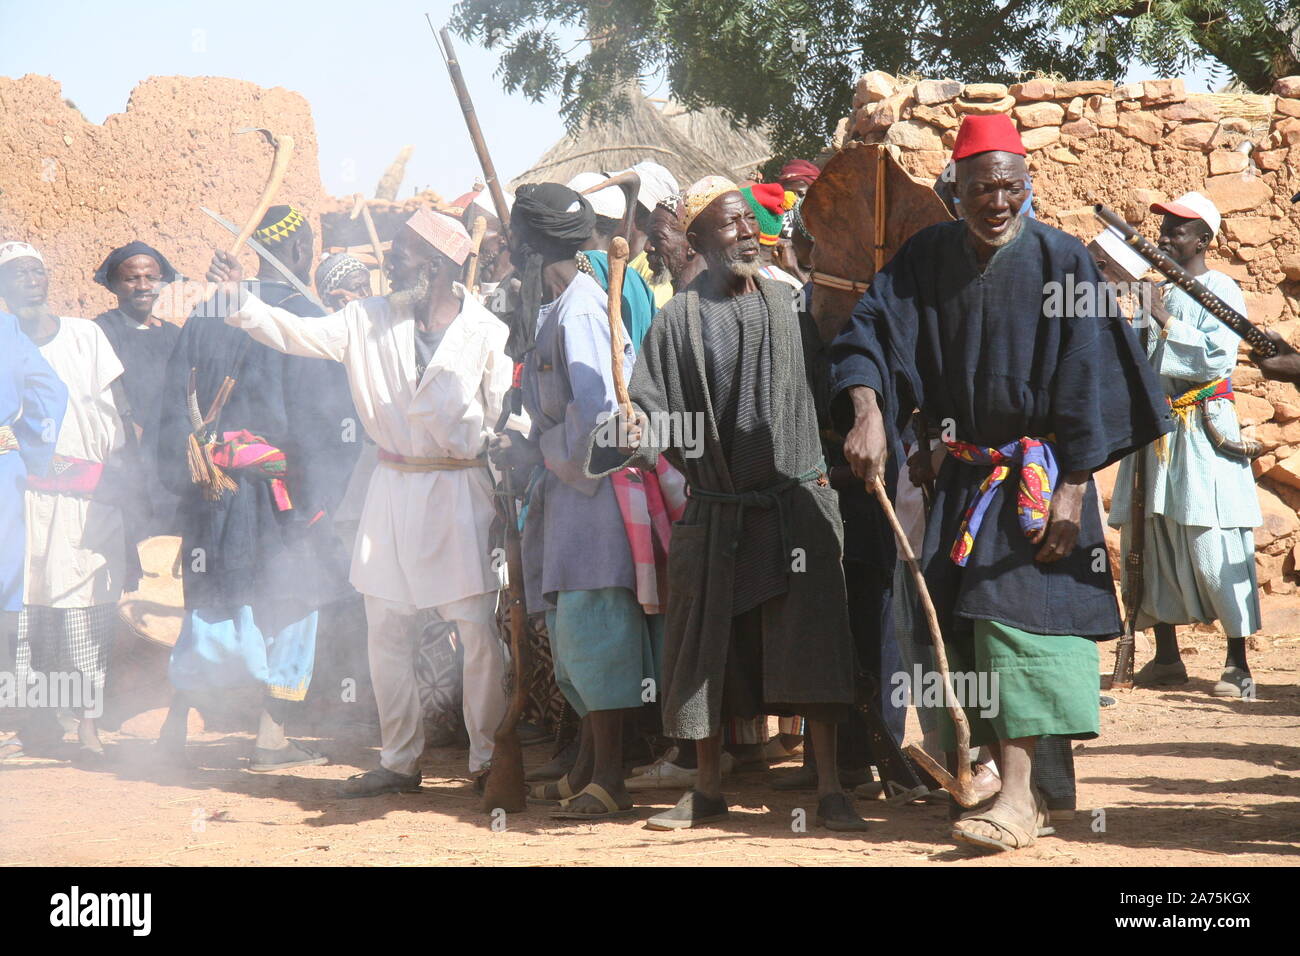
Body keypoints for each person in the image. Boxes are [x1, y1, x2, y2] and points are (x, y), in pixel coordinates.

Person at [828, 115, 1171, 852]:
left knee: (1022, 627)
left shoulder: (1062, 263)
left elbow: (1091, 378)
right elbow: (867, 333)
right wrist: (870, 412)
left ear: (1028, 188)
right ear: (955, 191)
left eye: (1011, 189)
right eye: (982, 190)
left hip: (1041, 477)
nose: (996, 203)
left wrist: (1075, 490)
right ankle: (1031, 788)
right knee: (974, 634)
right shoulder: (923, 260)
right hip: (963, 478)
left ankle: (1017, 800)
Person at [589, 175, 868, 831]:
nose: (746, 233)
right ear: (698, 241)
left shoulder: (790, 305)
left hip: (797, 504)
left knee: (813, 643)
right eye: (729, 224)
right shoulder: (677, 321)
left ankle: (830, 787)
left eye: (749, 221)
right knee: (704, 649)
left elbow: (832, 388)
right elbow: (654, 416)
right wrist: (634, 431)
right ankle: (708, 787)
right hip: (717, 509)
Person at [208, 207, 512, 794]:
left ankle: (487, 760)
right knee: (386, 627)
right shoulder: (365, 319)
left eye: (401, 250)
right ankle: (400, 761)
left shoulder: (488, 334)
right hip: (392, 489)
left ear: (438, 265)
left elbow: (503, 419)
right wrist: (236, 301)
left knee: (475, 627)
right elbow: (294, 333)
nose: (389, 258)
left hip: (460, 491)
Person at [155, 205, 358, 770]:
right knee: (294, 600)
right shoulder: (303, 316)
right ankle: (271, 738)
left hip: (210, 490)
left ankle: (174, 731)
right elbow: (328, 422)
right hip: (277, 495)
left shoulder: (203, 314)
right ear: (298, 253)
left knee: (211, 598)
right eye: (307, 248)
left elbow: (172, 404)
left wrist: (187, 478)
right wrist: (320, 499)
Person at [490, 182, 662, 821]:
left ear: (531, 246)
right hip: (567, 500)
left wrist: (537, 449)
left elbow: (602, 426)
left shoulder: (581, 310)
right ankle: (590, 766)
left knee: (598, 636)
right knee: (573, 639)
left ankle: (610, 778)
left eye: (514, 240)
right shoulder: (557, 306)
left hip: (594, 501)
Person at [1108, 192, 1263, 698]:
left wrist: (1164, 319)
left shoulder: (1220, 288)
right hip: (1159, 432)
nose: (1166, 236)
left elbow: (1216, 360)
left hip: (1203, 429)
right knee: (1148, 537)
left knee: (1208, 536)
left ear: (1203, 239)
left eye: (1178, 229)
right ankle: (1166, 656)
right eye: (1165, 227)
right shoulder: (1158, 290)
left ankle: (1237, 663)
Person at [0, 241, 131, 761]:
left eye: (38, 269)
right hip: (22, 498)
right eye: (18, 272)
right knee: (26, 618)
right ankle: (32, 725)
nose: (32, 278)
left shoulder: (86, 336)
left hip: (86, 495)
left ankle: (88, 726)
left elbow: (120, 412)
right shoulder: (4, 341)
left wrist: (125, 482)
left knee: (84, 609)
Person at [92, 241, 182, 537]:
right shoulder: (100, 332)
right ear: (115, 285)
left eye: (151, 278)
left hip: (172, 462)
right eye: (132, 278)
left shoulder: (176, 336)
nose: (143, 286)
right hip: (128, 464)